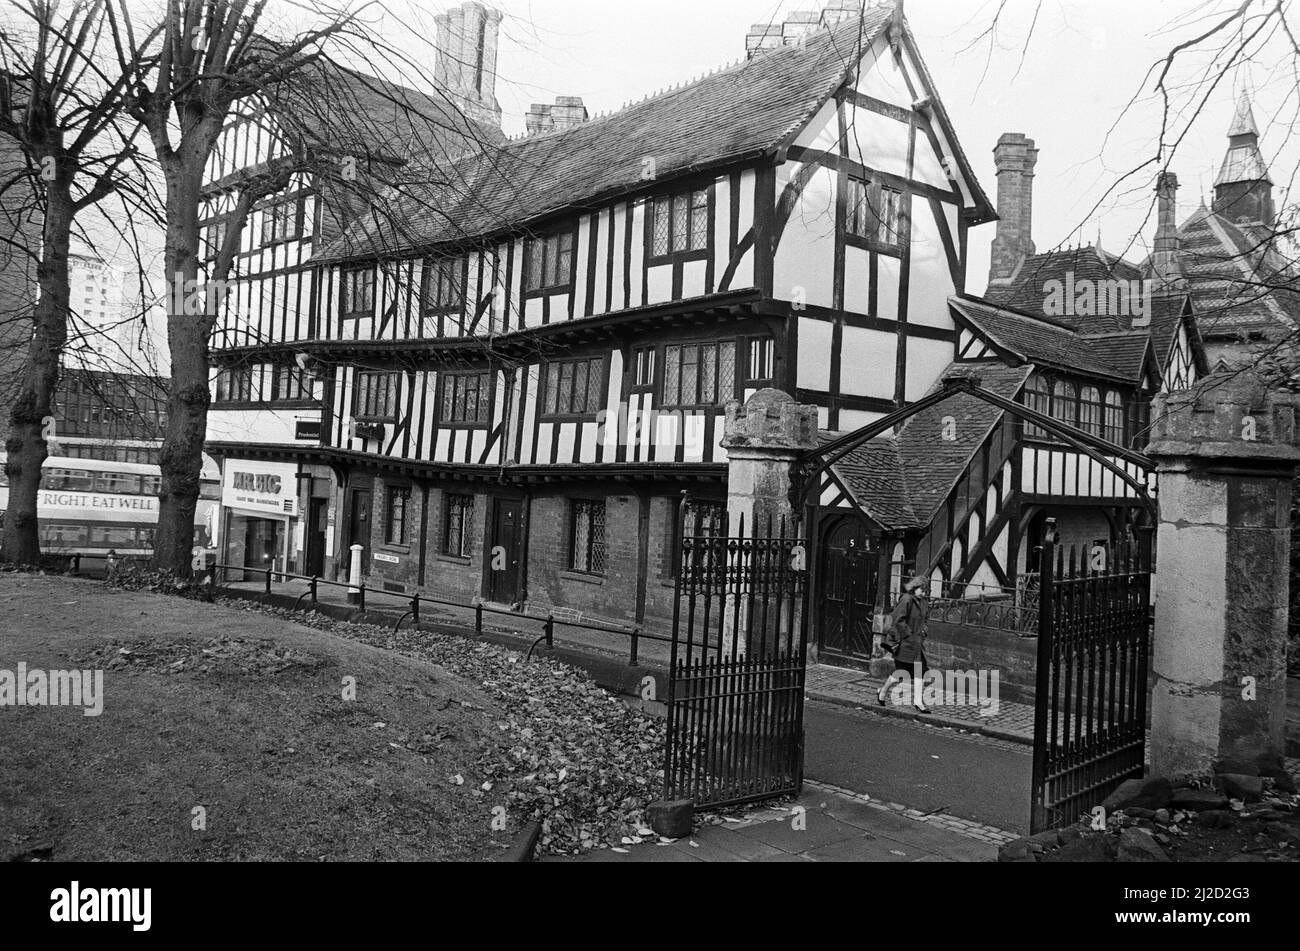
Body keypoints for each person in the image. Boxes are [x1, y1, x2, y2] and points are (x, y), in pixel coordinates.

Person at [878, 575, 932, 714]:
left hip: (918, 644)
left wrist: (924, 630)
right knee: (900, 674)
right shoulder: (907, 599)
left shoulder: (924, 602)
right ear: (914, 588)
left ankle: (918, 702)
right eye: (922, 589)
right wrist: (908, 634)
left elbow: (926, 619)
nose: (924, 593)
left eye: (926, 590)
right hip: (905, 644)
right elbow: (898, 619)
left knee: (920, 673)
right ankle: (883, 691)